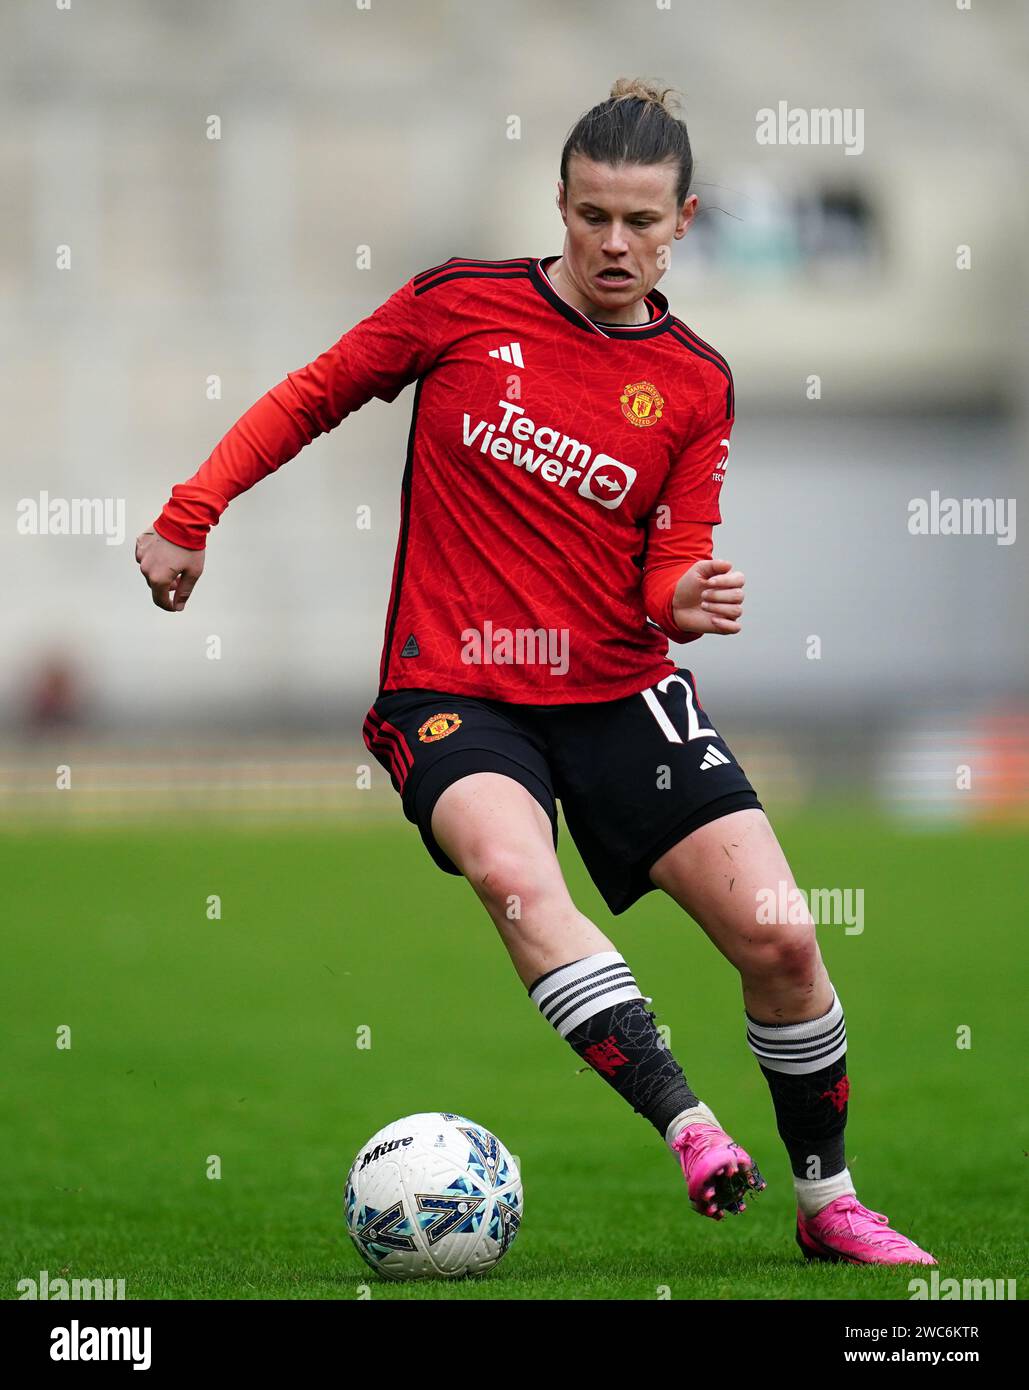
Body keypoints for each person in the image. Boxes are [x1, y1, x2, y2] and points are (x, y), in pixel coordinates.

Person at [137, 78, 934, 1266]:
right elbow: (313, 396)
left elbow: (670, 562)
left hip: (618, 690)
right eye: (594, 216)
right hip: (452, 690)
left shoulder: (697, 384)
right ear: (558, 204)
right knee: (514, 870)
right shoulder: (457, 306)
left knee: (783, 941)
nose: (615, 244)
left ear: (685, 222)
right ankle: (692, 1128)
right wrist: (190, 511)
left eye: (642, 222)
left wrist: (689, 599)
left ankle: (831, 1204)